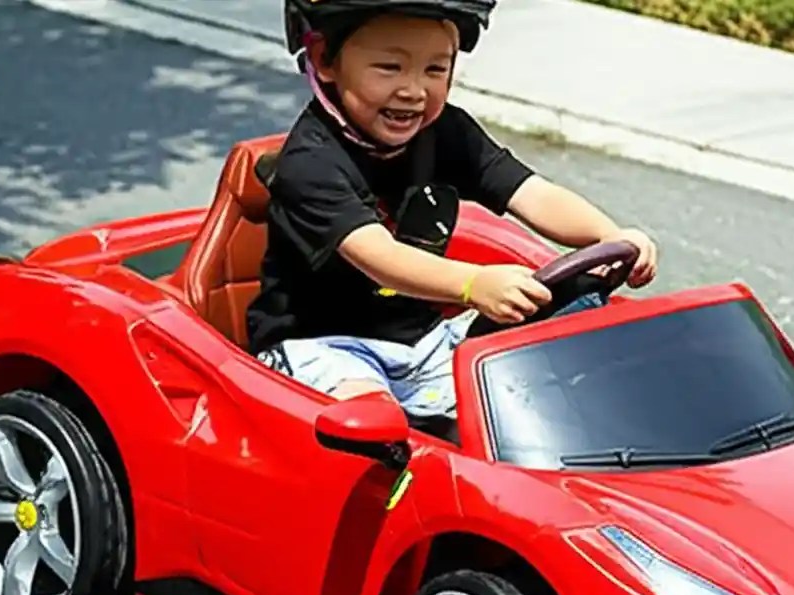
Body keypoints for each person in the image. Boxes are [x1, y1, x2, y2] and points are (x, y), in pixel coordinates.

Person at [247, 0, 659, 421]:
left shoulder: (446, 132)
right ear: (324, 59)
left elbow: (532, 193)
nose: (413, 90)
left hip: (423, 340)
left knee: (573, 334)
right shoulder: (309, 163)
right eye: (390, 68)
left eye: (435, 70)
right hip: (321, 344)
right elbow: (379, 257)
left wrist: (611, 236)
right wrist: (472, 284)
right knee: (373, 422)